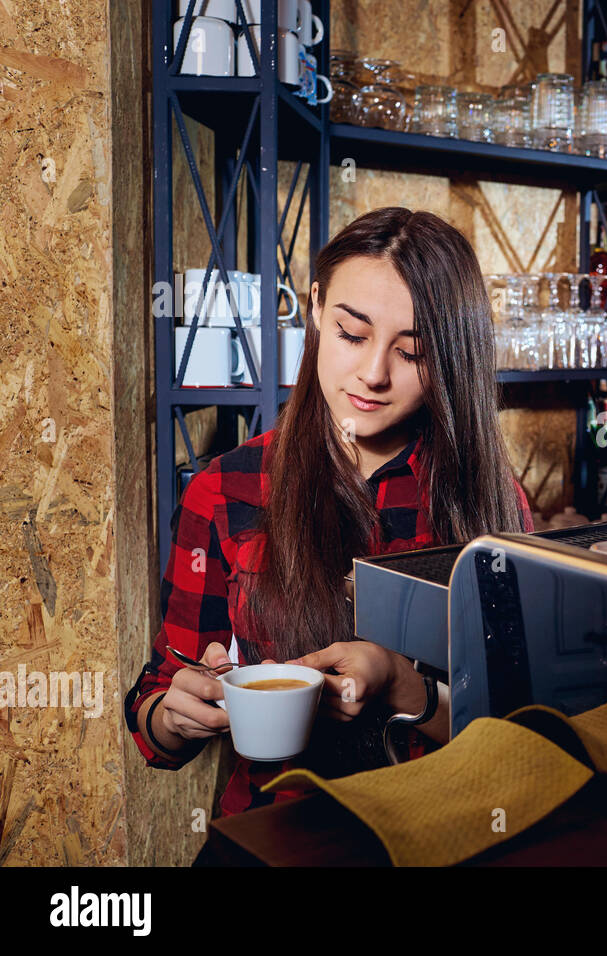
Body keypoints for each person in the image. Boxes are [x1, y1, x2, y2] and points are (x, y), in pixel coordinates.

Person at [124, 207, 534, 816]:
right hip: (276, 829)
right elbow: (158, 701)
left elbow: (521, 730)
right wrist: (172, 714)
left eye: (412, 351)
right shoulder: (225, 488)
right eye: (351, 334)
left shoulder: (491, 497)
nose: (373, 374)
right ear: (316, 308)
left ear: (451, 357)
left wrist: (402, 684)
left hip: (443, 828)